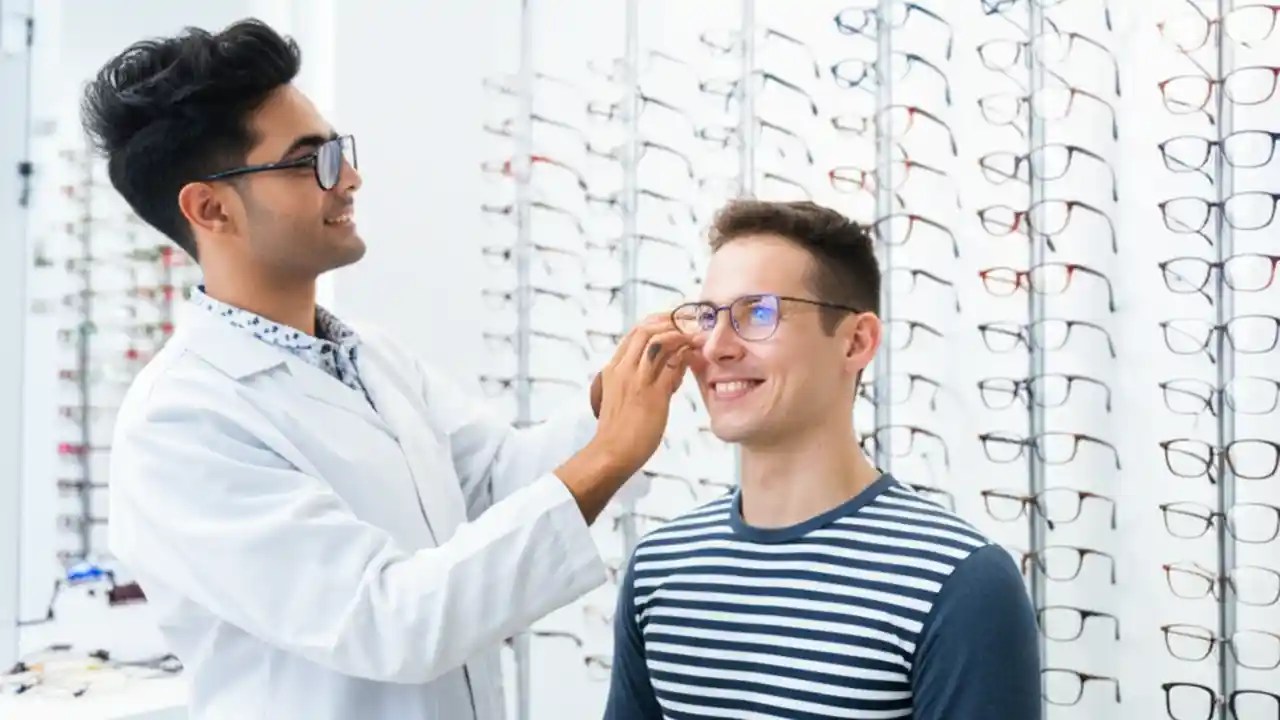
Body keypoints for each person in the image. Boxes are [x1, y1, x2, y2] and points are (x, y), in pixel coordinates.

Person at [83, 19, 693, 720]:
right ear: (211, 207)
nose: (349, 179)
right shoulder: (181, 425)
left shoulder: (368, 357)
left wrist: (613, 397)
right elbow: (389, 620)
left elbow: (497, 486)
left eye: (339, 151)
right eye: (311, 162)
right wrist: (609, 455)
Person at [604, 200, 1042, 719]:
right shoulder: (659, 568)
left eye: (758, 313)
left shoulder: (959, 582)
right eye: (707, 317)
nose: (717, 347)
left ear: (856, 342)